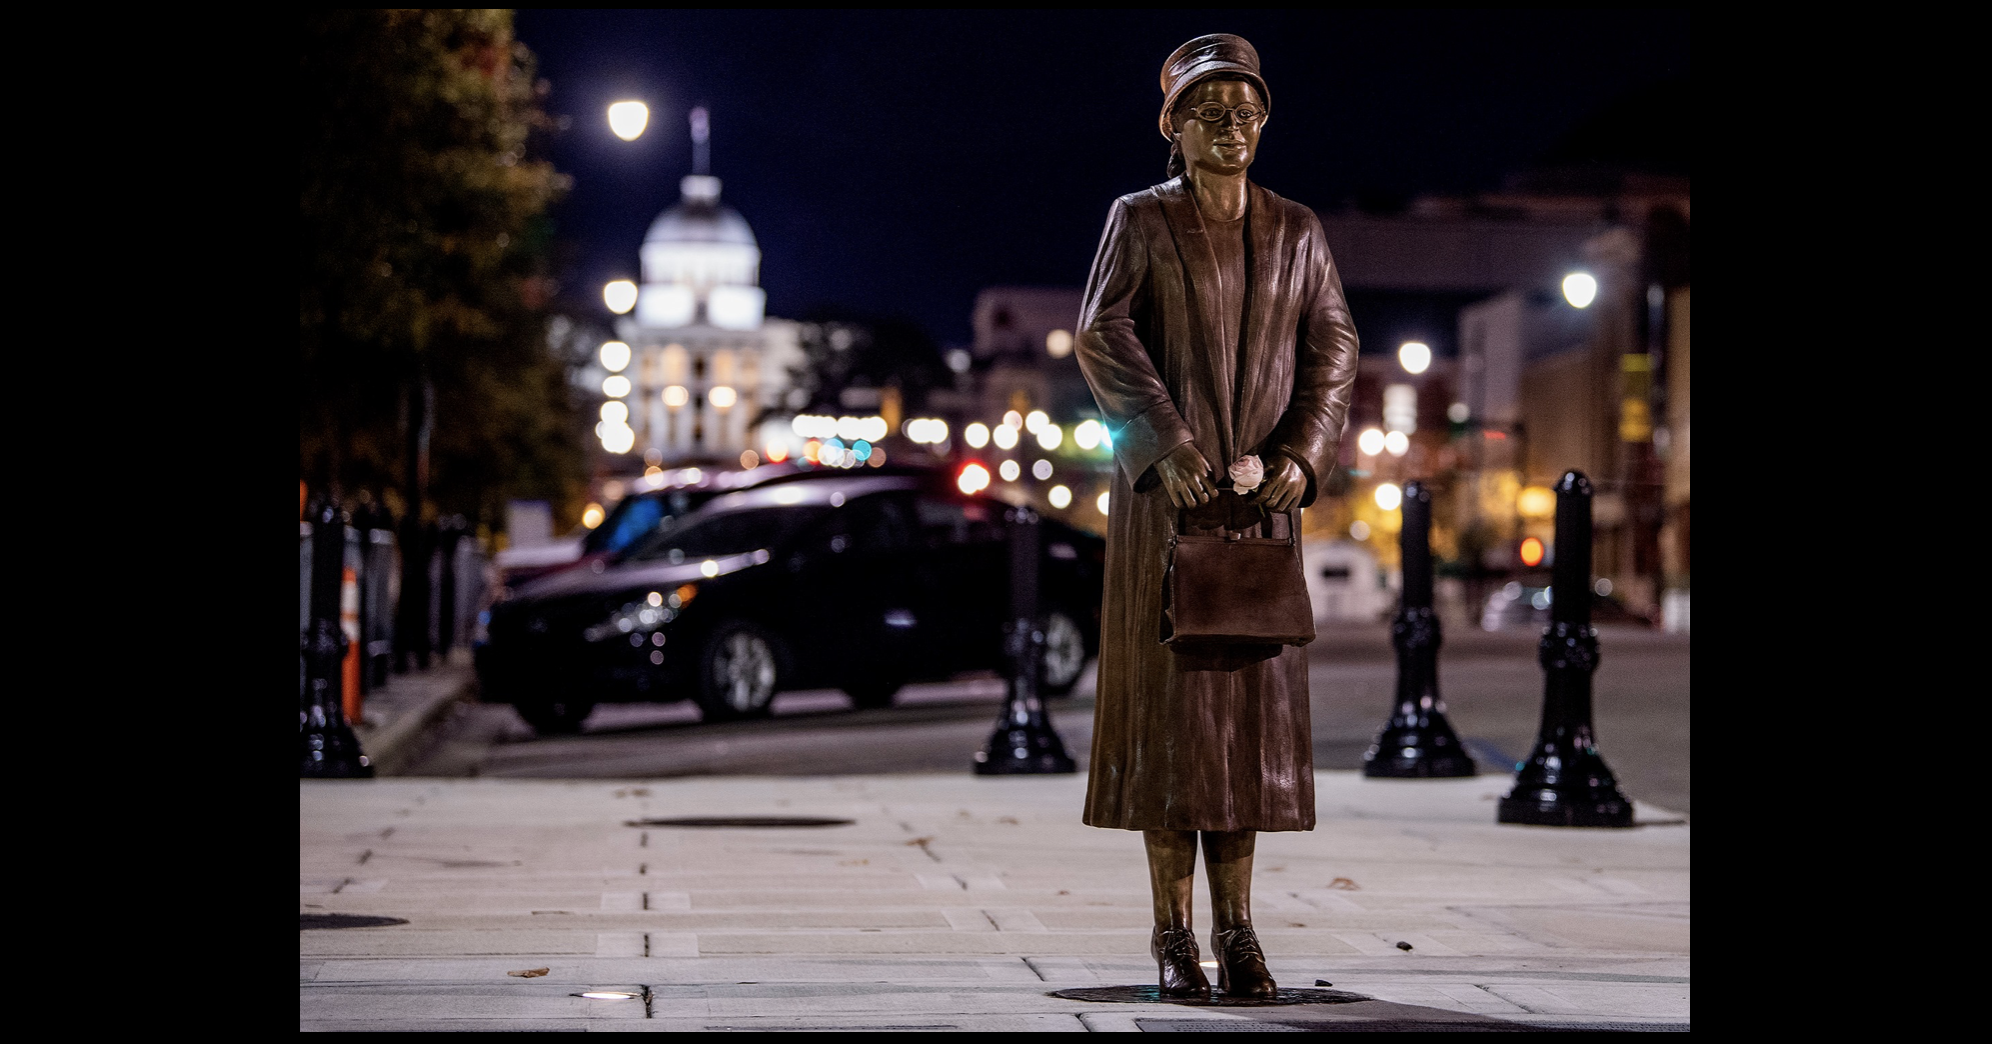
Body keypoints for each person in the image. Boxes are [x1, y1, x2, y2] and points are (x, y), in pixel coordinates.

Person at [1073, 33, 1359, 999]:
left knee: (1247, 729)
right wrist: (1164, 442)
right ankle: (1171, 932)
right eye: (1209, 111)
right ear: (1174, 129)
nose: (1232, 126)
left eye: (1246, 111)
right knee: (1173, 726)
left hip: (1261, 514)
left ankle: (1239, 931)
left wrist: (1303, 457)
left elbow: (1335, 350)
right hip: (1169, 511)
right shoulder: (1141, 220)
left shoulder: (1299, 230)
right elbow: (1099, 330)